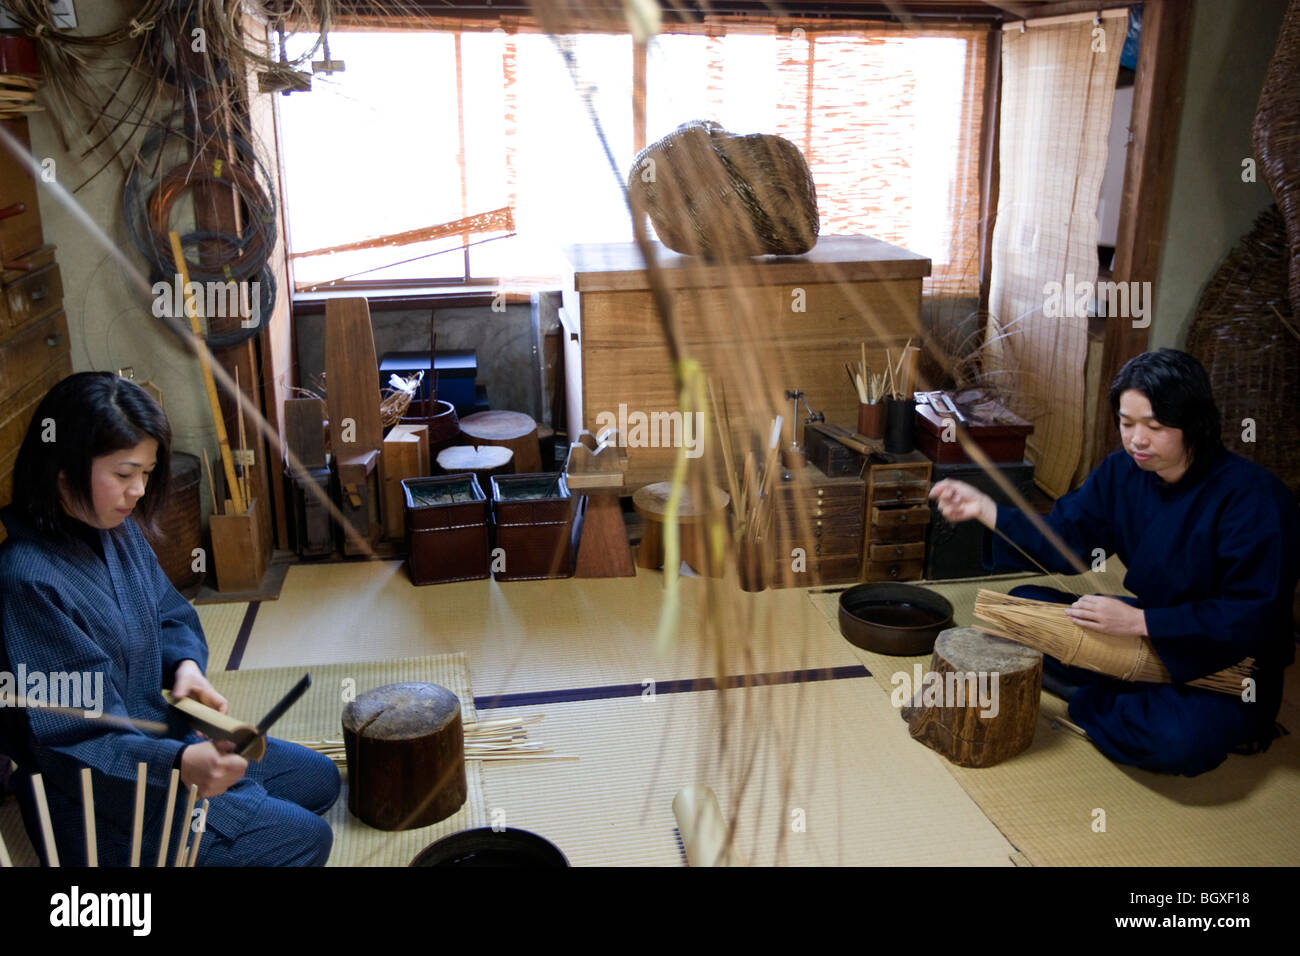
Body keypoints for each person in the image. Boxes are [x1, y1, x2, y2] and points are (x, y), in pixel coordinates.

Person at [0, 372, 339, 865]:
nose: (138, 490)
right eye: (124, 473)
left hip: (162, 737)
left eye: (146, 472)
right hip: (106, 800)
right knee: (307, 839)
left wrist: (186, 669)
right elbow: (72, 743)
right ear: (63, 468)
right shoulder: (27, 581)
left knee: (319, 778)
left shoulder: (113, 526)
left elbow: (168, 614)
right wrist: (180, 765)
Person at [930, 349, 1300, 777]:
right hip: (1143, 634)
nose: (1136, 440)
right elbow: (1066, 537)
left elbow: (1251, 616)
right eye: (1126, 424)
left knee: (1178, 743)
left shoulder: (1255, 501)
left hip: (1225, 662)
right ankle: (1122, 685)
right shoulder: (1123, 472)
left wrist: (1141, 623)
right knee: (1023, 607)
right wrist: (986, 509)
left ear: (1194, 423)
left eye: (1155, 427)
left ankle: (1092, 697)